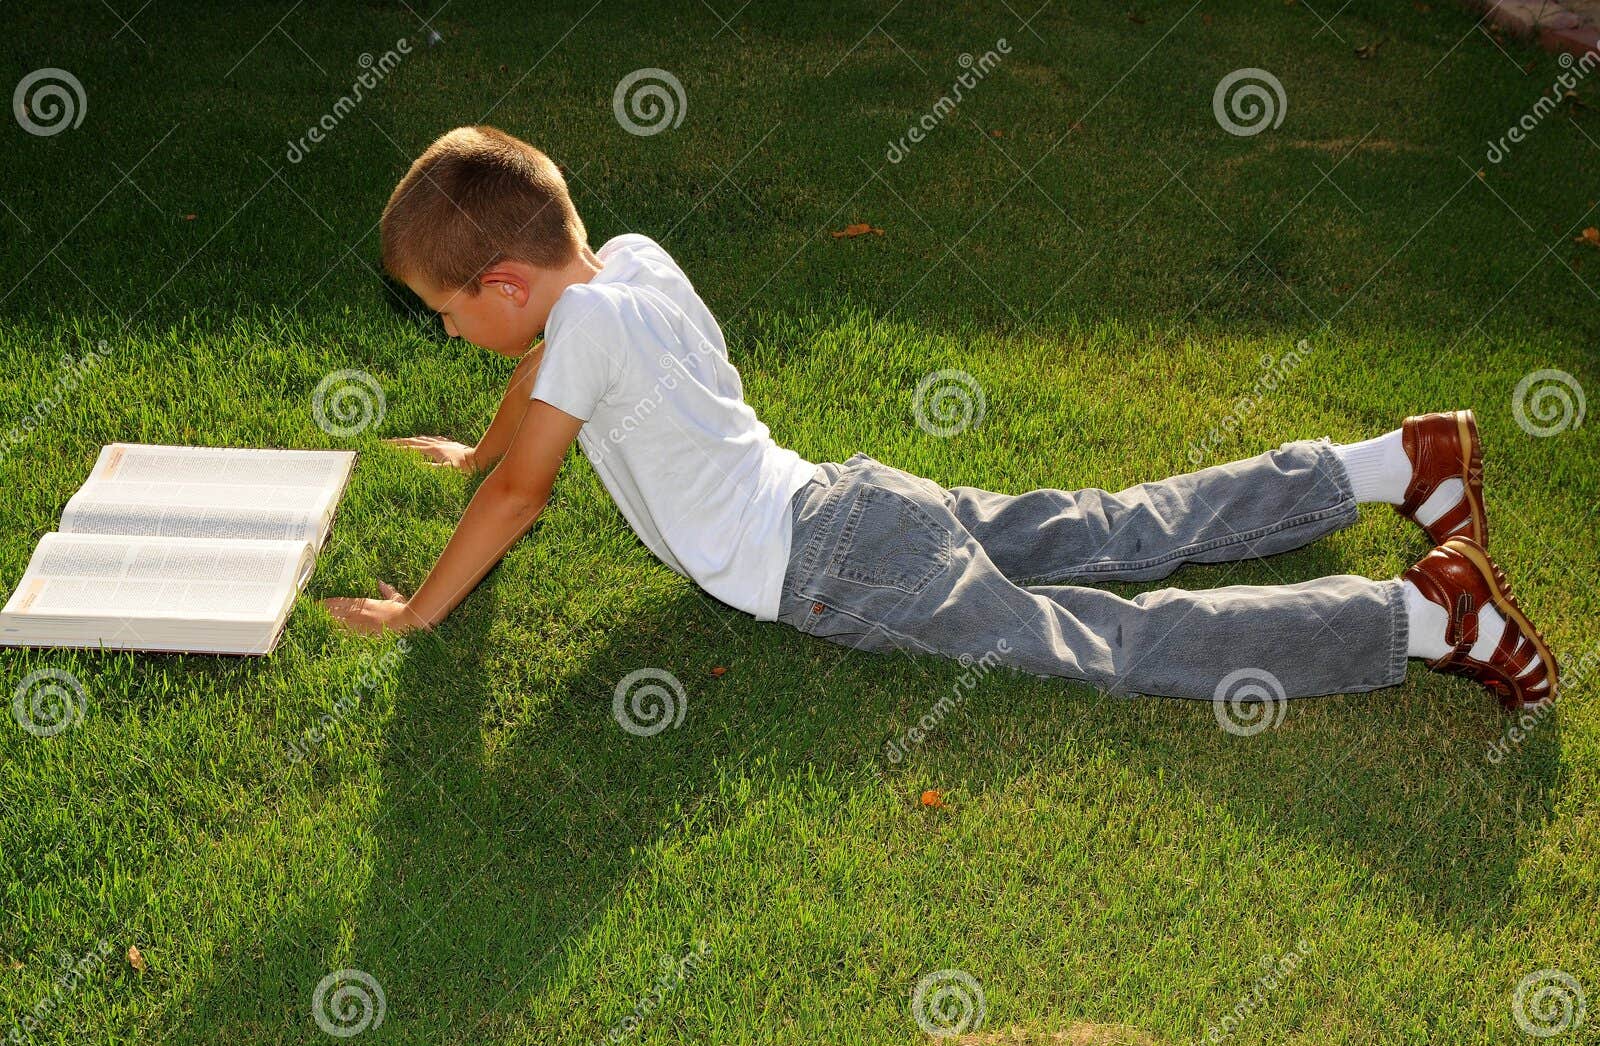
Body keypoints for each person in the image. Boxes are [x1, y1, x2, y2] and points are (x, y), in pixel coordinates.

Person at [322, 126, 1557, 713]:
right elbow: (537, 399)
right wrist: (473, 443)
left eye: (442, 312)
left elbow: (523, 493)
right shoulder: (624, 269)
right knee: (1111, 528)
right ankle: (1395, 459)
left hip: (831, 562)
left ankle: (1423, 615)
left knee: (1105, 640)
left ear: (502, 286)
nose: (444, 332)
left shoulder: (578, 336)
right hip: (854, 500)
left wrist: (415, 611)